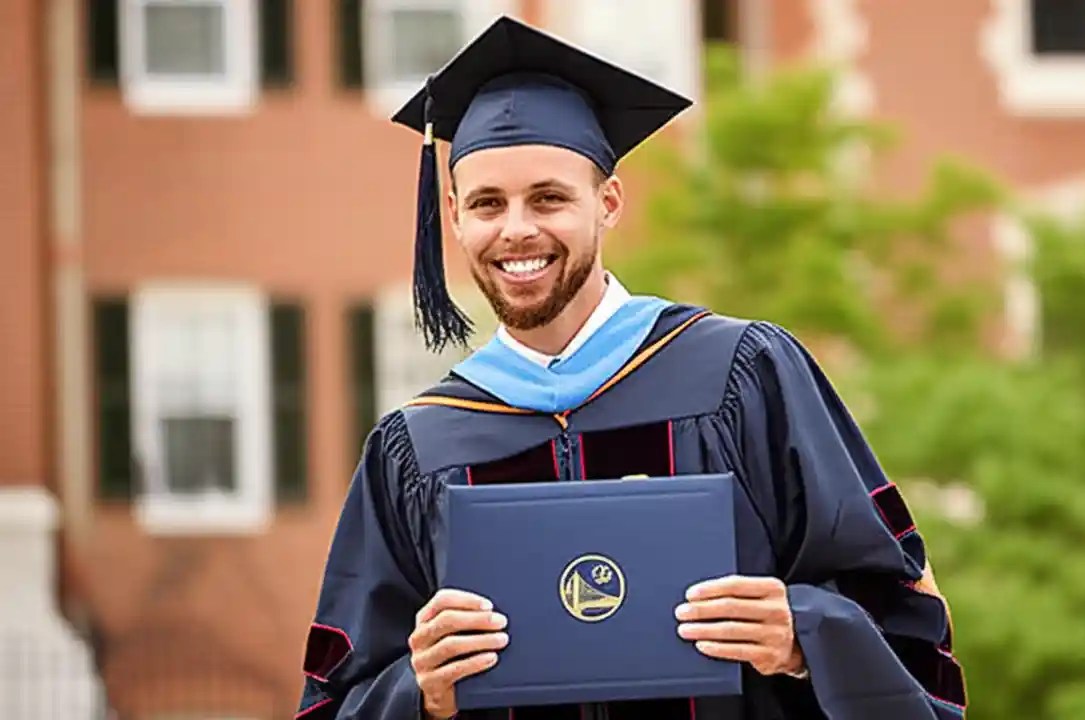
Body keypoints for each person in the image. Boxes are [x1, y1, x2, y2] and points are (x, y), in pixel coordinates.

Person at [296, 15, 966, 720]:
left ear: (607, 203)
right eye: (489, 203)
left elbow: (904, 613)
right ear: (455, 216)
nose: (517, 229)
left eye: (550, 197)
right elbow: (338, 694)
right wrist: (419, 691)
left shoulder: (745, 375)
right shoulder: (417, 447)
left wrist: (805, 635)